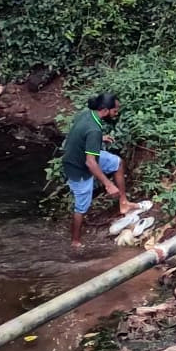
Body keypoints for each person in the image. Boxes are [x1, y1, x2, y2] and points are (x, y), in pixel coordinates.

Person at [61, 92, 140, 248]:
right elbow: (90, 163)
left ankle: (124, 203)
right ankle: (75, 242)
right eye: (115, 111)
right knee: (81, 207)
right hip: (78, 168)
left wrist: (98, 139)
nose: (116, 113)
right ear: (104, 110)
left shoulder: (87, 114)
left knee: (117, 163)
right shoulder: (94, 130)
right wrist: (108, 184)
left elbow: (79, 133)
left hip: (83, 155)